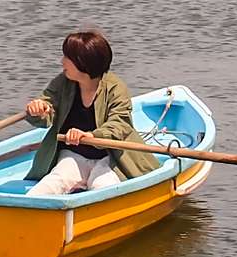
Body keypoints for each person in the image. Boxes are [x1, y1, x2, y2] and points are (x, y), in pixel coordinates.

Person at [23, 30, 160, 196]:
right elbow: (47, 108)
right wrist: (38, 109)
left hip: (110, 158)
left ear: (83, 63)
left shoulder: (115, 88)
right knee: (48, 186)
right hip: (73, 155)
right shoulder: (63, 83)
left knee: (102, 187)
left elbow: (120, 125)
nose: (61, 62)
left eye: (67, 58)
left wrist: (90, 136)